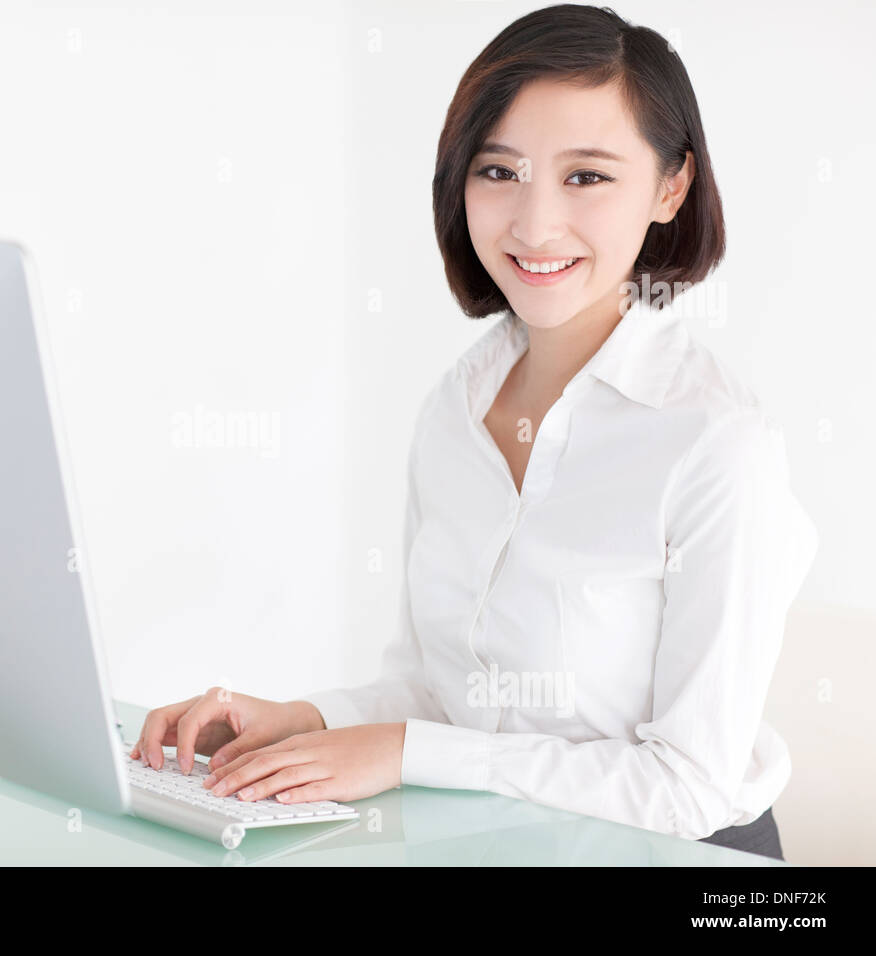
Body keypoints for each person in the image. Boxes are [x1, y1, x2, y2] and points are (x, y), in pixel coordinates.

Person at [131, 3, 816, 861]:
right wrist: (301, 722)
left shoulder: (716, 444)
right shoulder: (452, 410)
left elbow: (689, 785)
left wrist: (405, 753)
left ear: (670, 187)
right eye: (500, 171)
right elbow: (442, 687)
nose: (533, 225)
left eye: (587, 177)